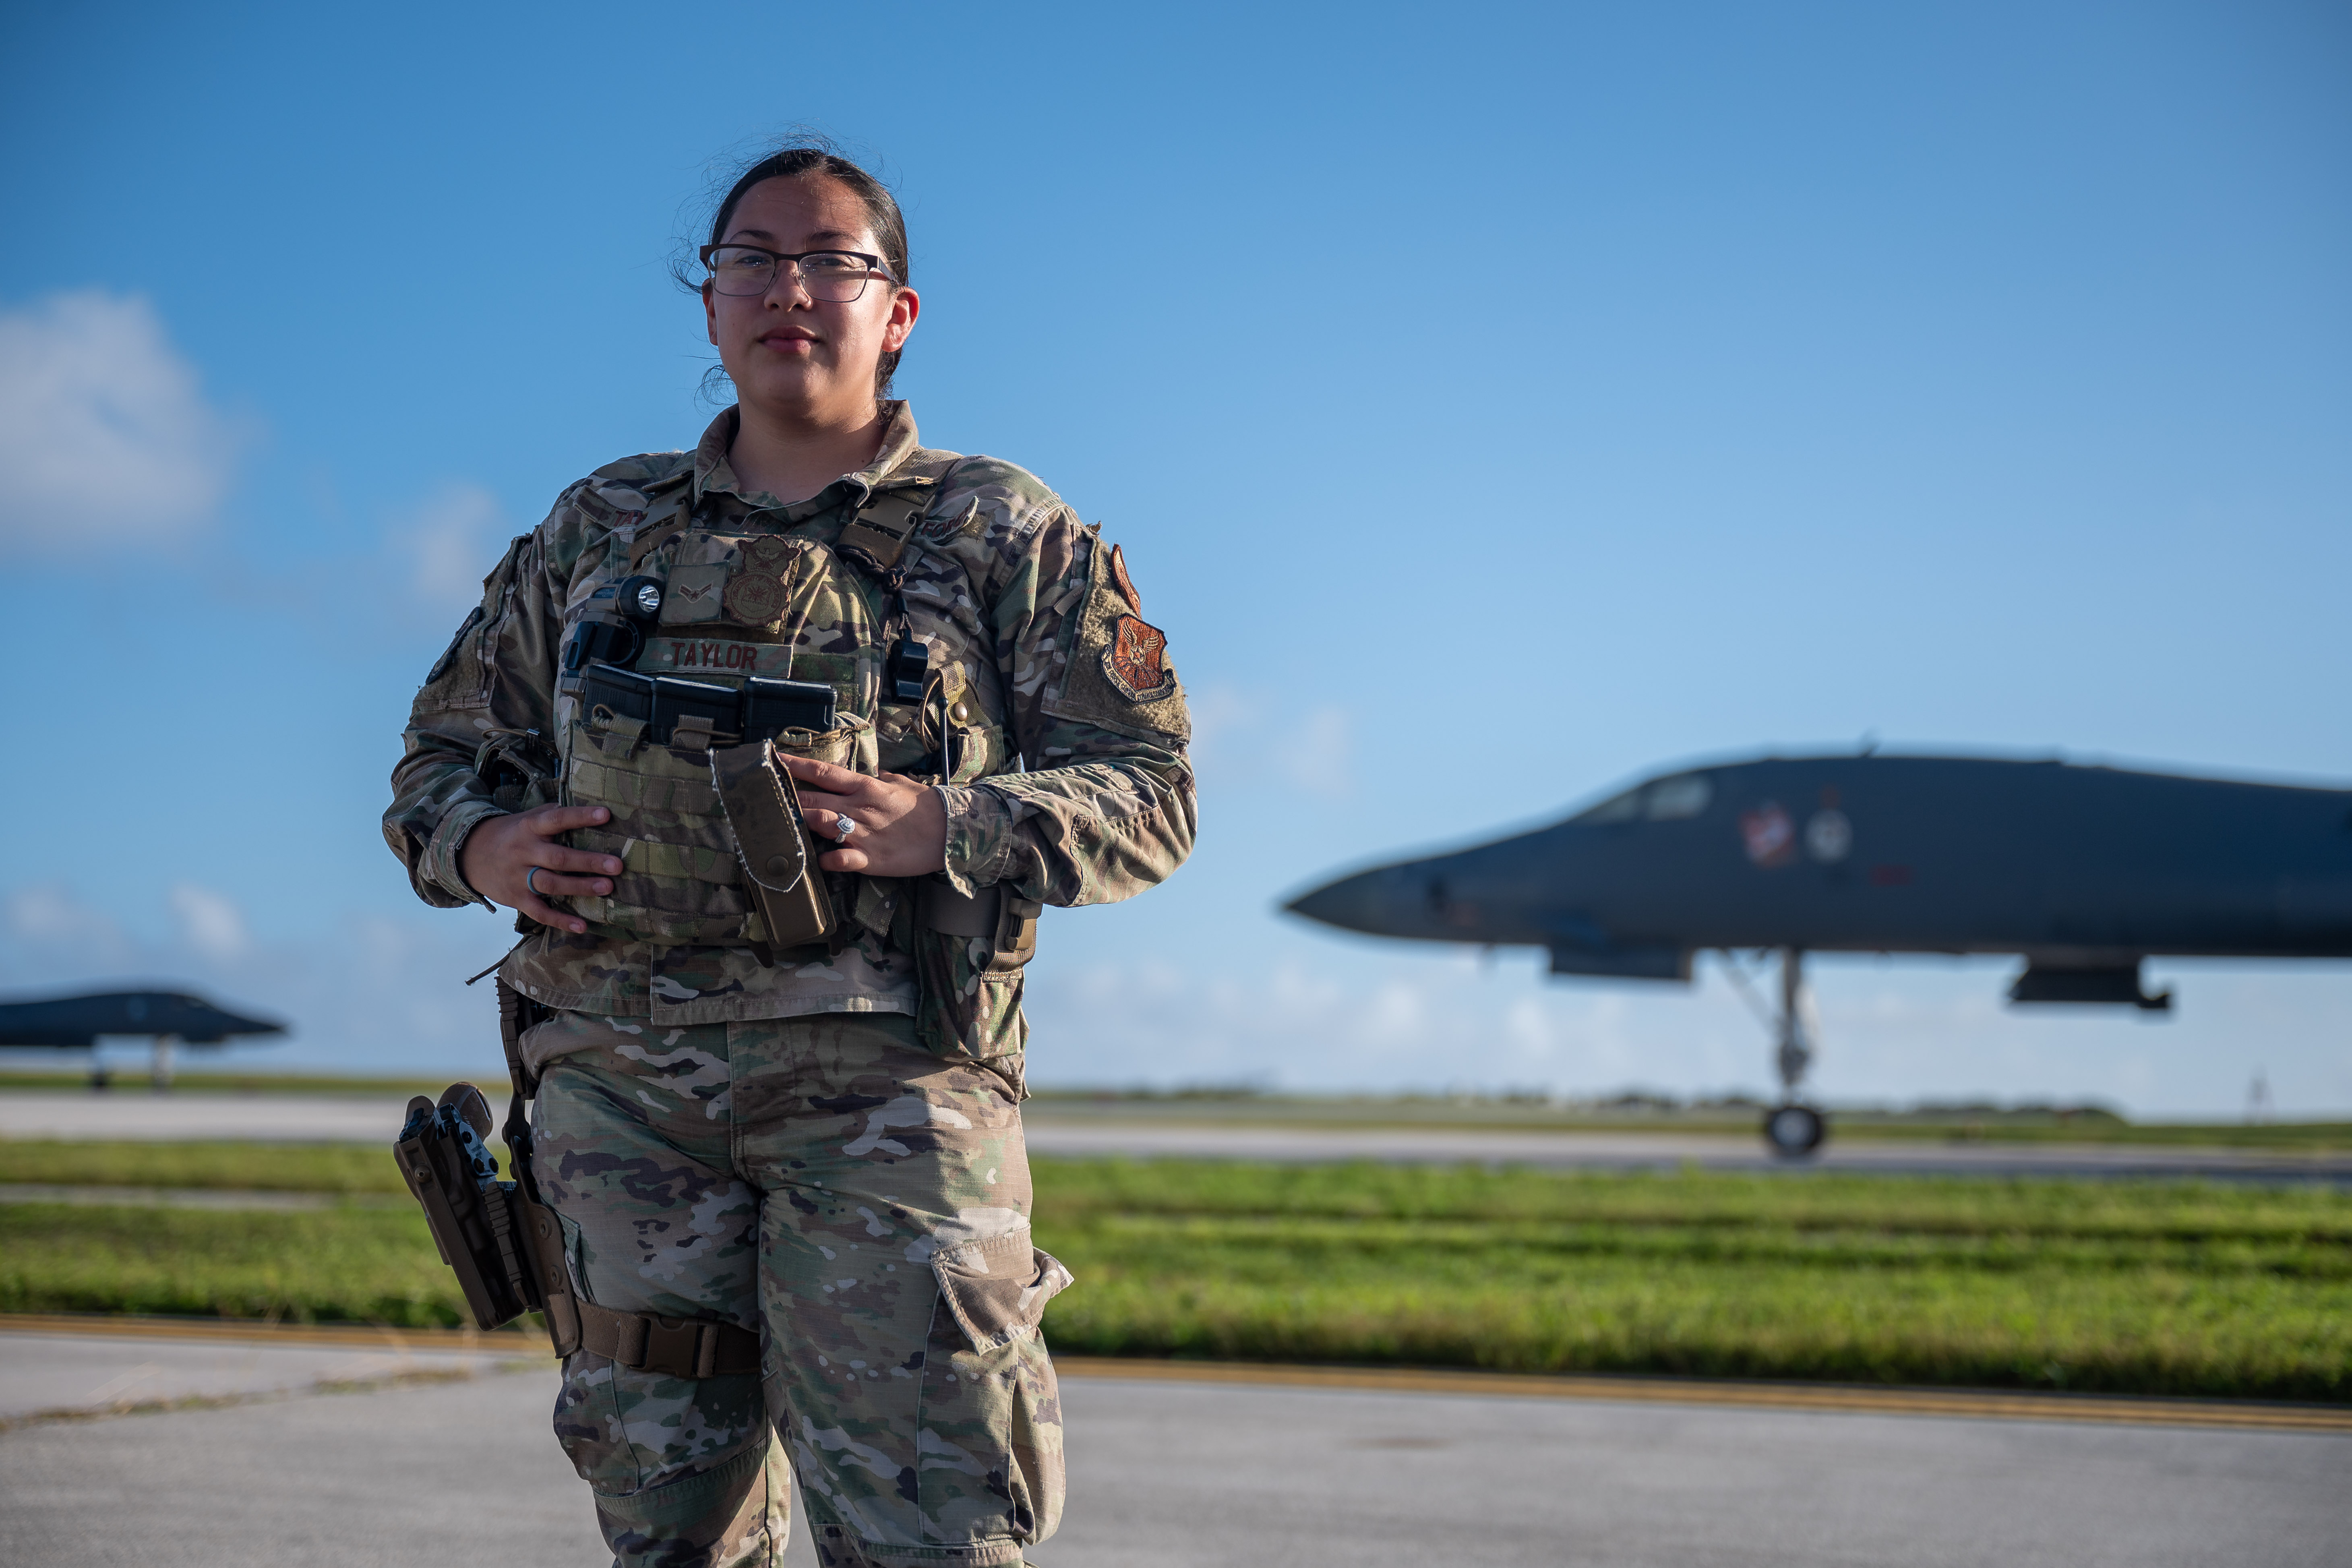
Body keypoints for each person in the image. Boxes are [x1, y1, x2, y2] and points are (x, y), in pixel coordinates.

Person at [384, 140, 1196, 1568]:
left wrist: (950, 823)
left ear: (900, 312)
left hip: (889, 1095)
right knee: (668, 1534)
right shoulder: (599, 528)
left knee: (931, 1530)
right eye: (751, 258)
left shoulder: (1002, 532)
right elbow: (437, 766)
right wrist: (485, 844)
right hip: (625, 1109)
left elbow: (1151, 792)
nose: (790, 289)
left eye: (834, 260)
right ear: (707, 305)